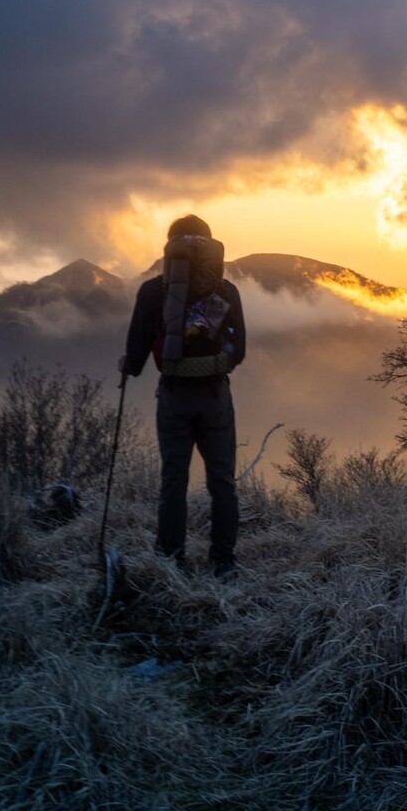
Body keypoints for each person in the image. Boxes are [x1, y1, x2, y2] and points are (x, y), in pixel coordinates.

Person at [119, 213, 246, 577]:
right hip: (215, 396)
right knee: (222, 481)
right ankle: (223, 561)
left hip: (173, 396)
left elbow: (136, 357)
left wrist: (127, 366)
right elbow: (240, 351)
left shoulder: (152, 291)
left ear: (169, 247)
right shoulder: (227, 292)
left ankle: (170, 559)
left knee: (173, 480)